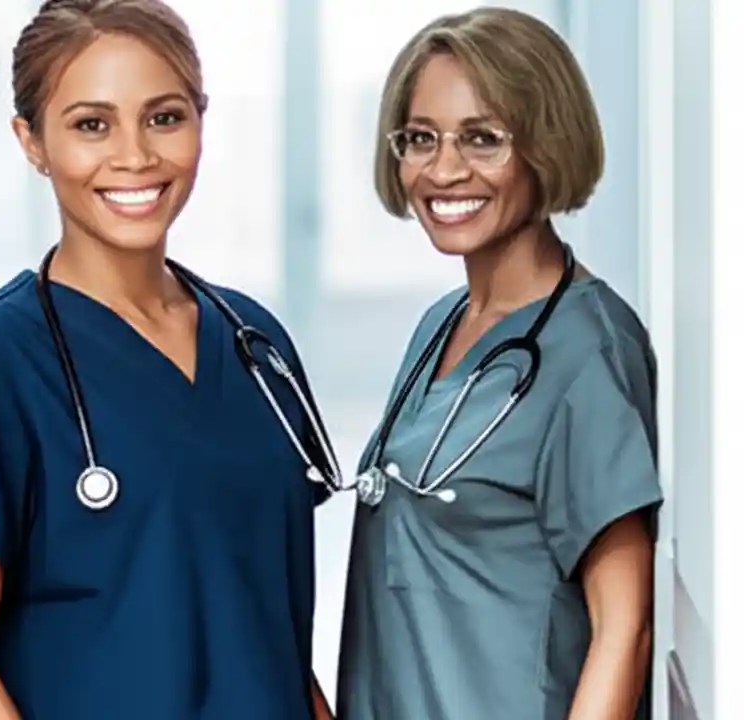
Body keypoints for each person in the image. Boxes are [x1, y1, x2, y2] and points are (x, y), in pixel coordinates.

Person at [0, 1, 336, 718]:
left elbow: (269, 635)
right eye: (91, 125)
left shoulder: (255, 344)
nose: (135, 155)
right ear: (31, 141)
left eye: (164, 117)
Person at [336, 8, 663, 719]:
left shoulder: (589, 352)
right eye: (421, 138)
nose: (445, 169)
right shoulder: (440, 328)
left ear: (546, 144)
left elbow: (625, 631)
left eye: (483, 139)